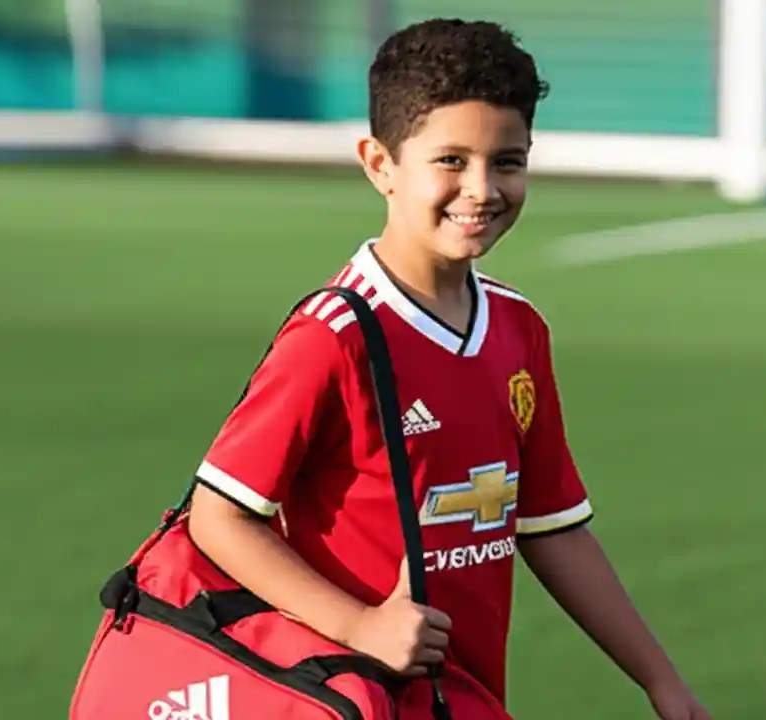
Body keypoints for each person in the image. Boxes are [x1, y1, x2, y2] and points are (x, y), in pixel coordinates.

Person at [186, 17, 711, 720]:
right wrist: (360, 626)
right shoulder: (334, 337)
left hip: (464, 699)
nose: (483, 188)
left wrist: (659, 679)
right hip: (348, 694)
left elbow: (552, 526)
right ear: (380, 164)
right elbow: (217, 518)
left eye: (509, 161)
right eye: (452, 160)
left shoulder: (519, 329)